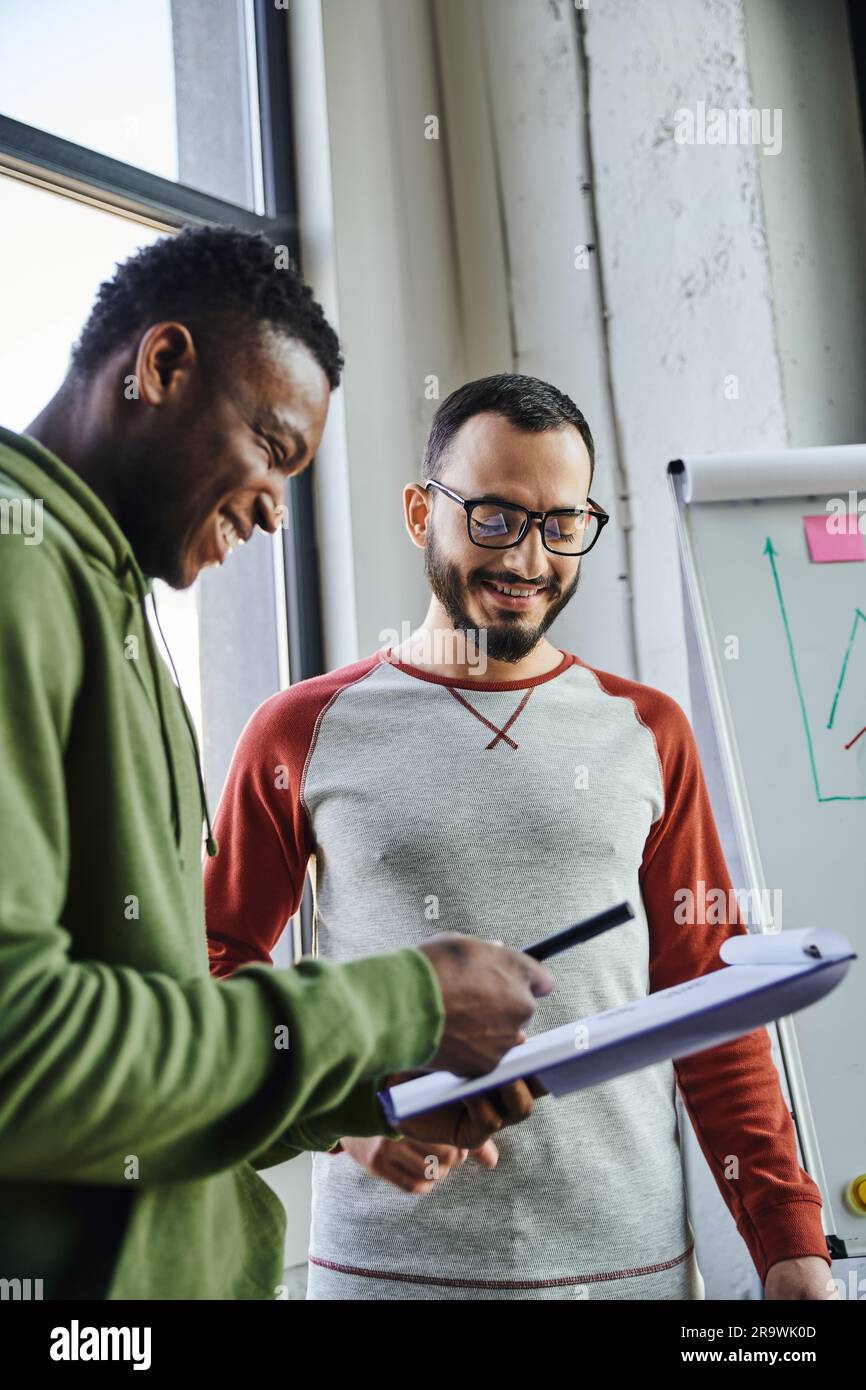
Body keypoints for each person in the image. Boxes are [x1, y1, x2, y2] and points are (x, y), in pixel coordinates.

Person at [0, 230, 553, 1301]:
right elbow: (24, 1055)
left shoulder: (98, 593)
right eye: (272, 446)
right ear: (160, 367)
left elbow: (141, 1042)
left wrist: (360, 1091)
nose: (272, 508)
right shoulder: (19, 573)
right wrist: (402, 1003)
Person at [205, 373, 834, 1301]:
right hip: (383, 1274)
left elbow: (711, 998)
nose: (529, 560)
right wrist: (343, 1115)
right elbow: (219, 971)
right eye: (494, 518)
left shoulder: (647, 730)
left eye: (561, 523)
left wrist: (791, 1243)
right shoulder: (300, 729)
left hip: (631, 1272)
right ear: (421, 512)